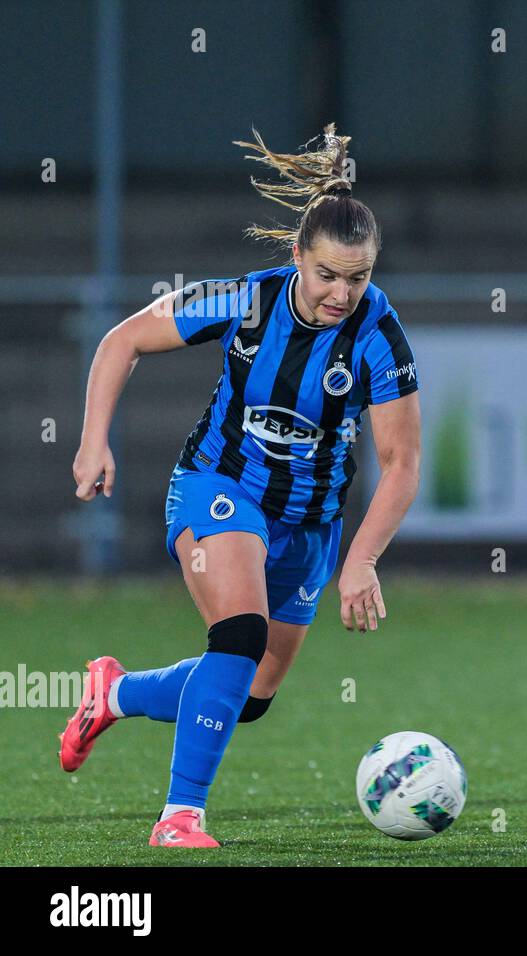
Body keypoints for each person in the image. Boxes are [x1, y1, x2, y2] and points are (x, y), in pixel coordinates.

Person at [60, 124, 422, 846]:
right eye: (327, 275)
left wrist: (360, 560)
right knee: (240, 635)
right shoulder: (245, 302)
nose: (341, 293)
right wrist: (93, 436)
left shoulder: (379, 336)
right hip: (217, 486)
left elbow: (403, 461)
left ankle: (116, 692)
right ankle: (179, 817)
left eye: (358, 278)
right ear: (297, 258)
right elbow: (122, 339)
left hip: (311, 523)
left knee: (251, 696)